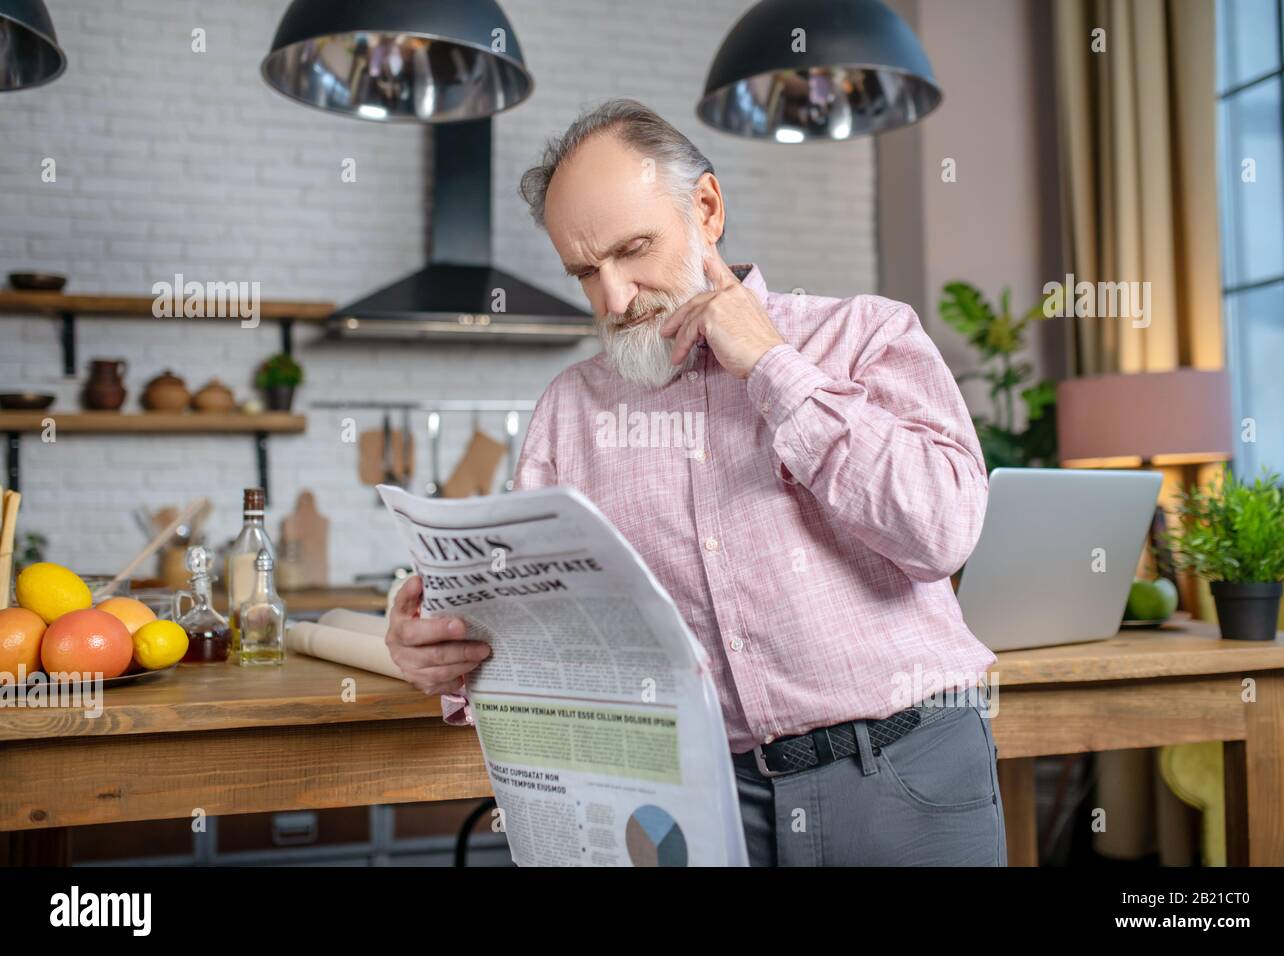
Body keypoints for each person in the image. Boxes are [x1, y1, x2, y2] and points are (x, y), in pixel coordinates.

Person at [386, 99, 1005, 866]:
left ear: (706, 208)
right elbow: (542, 631)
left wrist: (774, 368)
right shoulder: (570, 412)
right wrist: (443, 652)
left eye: (632, 249)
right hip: (691, 801)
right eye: (585, 271)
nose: (613, 298)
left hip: (903, 776)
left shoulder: (866, 334)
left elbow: (941, 530)